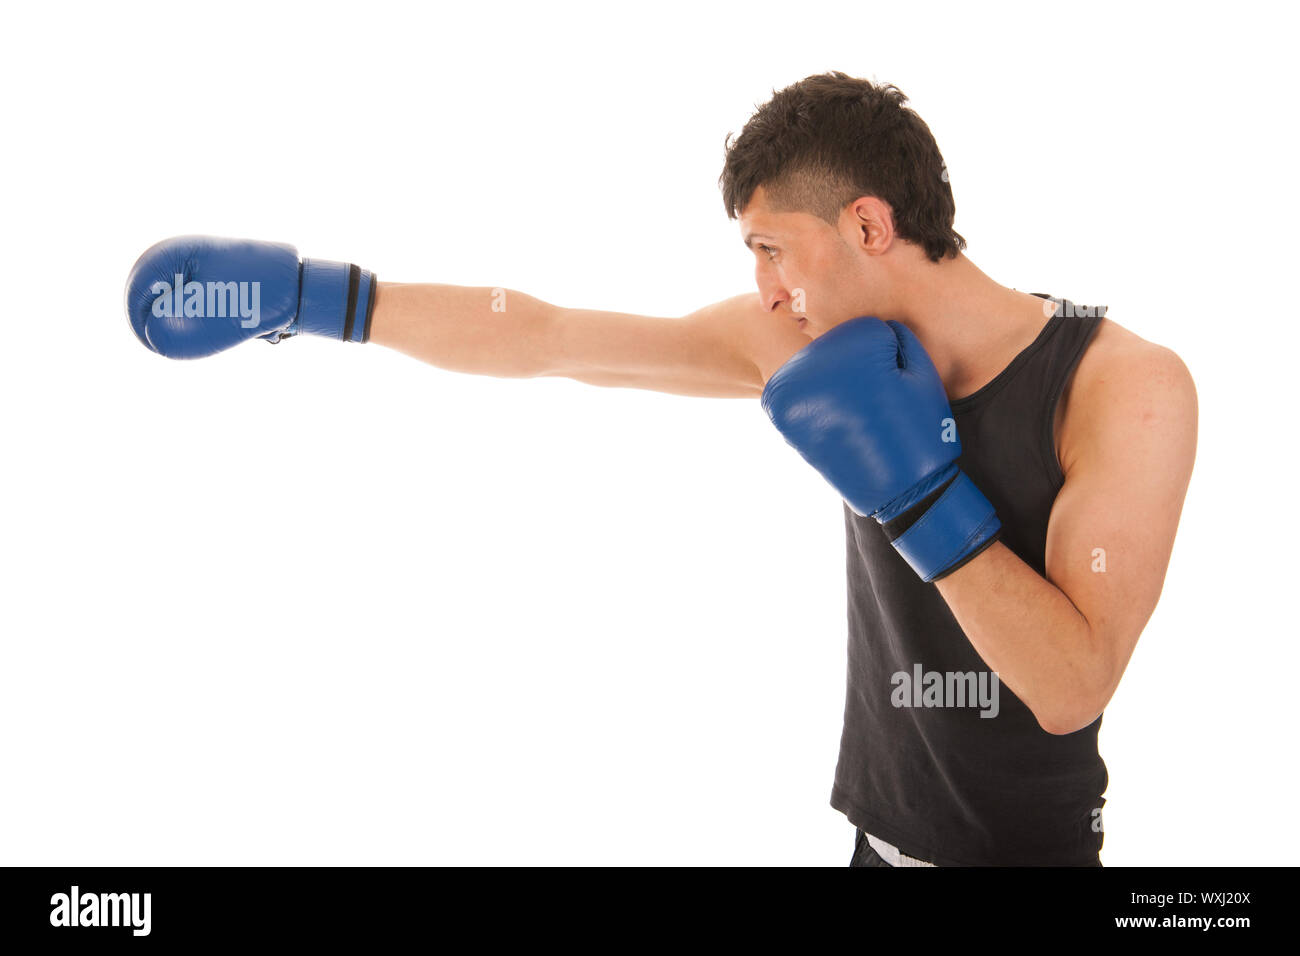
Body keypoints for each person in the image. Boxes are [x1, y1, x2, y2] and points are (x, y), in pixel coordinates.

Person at [124, 71, 1197, 866]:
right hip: (875, 845)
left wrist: (918, 492)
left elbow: (1071, 686)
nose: (766, 290)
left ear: (867, 223)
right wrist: (323, 301)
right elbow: (552, 336)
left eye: (772, 248)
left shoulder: (1120, 383)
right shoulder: (809, 345)